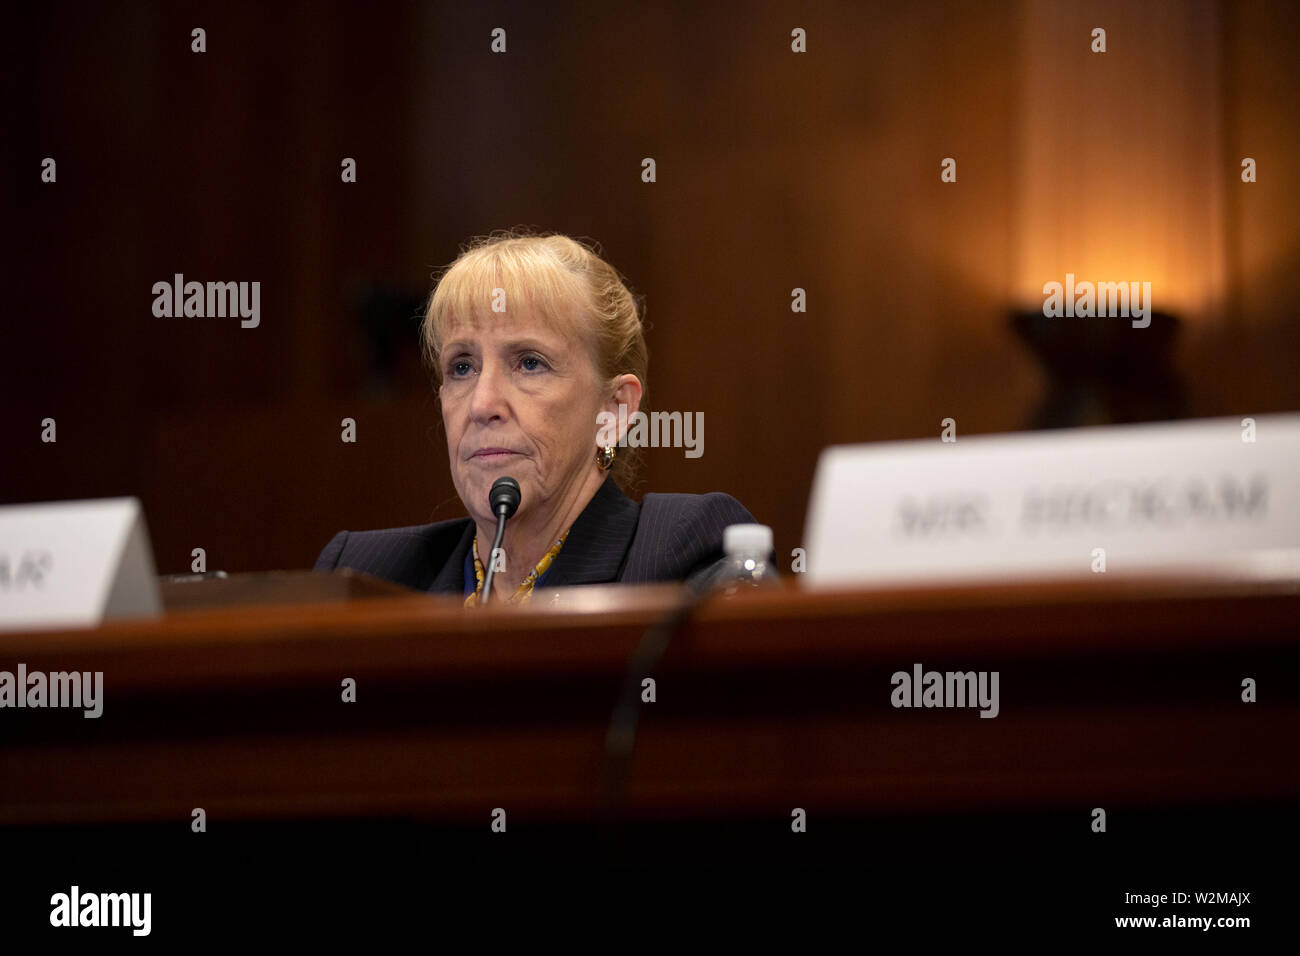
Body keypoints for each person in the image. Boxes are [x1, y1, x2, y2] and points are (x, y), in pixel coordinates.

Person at [314, 229, 762, 605]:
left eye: (529, 362)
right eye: (462, 367)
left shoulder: (680, 556)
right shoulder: (365, 575)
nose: (482, 404)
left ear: (614, 409)